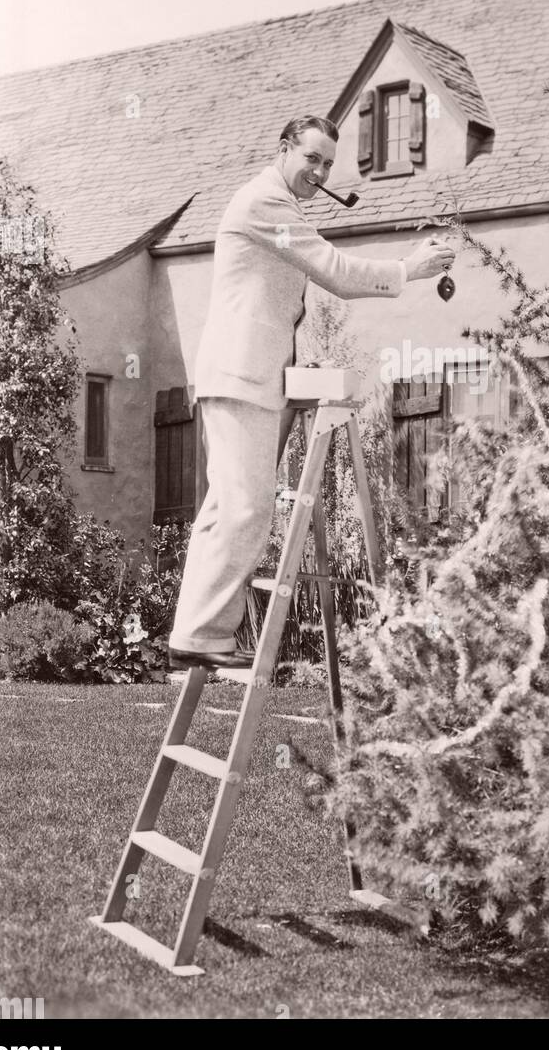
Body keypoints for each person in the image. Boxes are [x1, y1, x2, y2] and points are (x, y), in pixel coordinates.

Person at [167, 113, 455, 669]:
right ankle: (201, 638)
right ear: (284, 151)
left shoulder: (281, 207)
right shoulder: (264, 203)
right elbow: (335, 270)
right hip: (241, 378)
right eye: (312, 158)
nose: (320, 171)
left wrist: (299, 362)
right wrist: (408, 269)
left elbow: (273, 303)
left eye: (328, 163)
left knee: (228, 505)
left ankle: (198, 633)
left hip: (256, 377)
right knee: (245, 508)